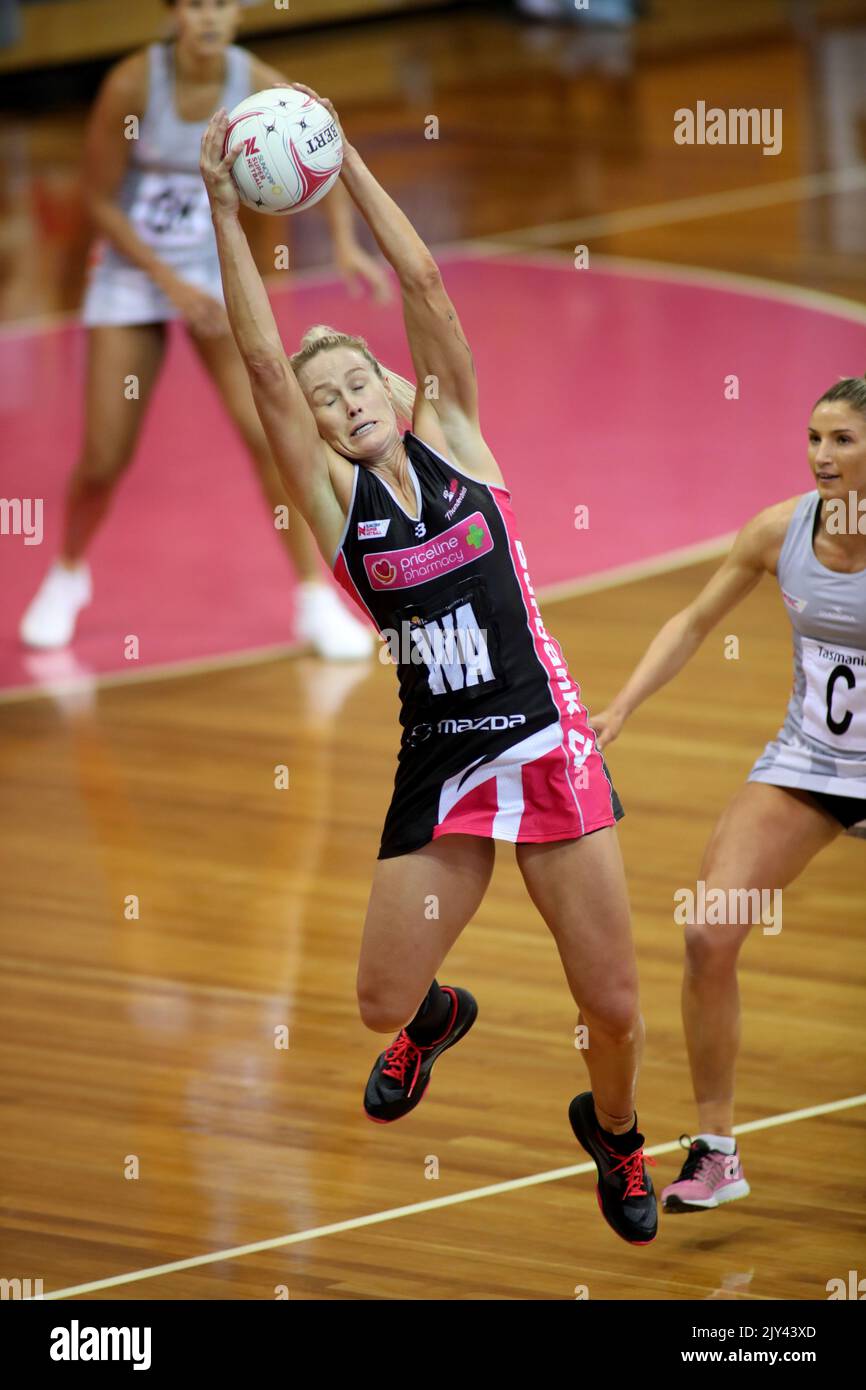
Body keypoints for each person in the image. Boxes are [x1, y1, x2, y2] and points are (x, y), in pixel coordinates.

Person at [198, 82, 658, 1245]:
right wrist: (221, 200)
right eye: (327, 397)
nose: (349, 398)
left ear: (395, 391)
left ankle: (615, 1136)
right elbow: (257, 357)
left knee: (609, 1006)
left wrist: (343, 160)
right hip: (442, 765)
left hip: (545, 740)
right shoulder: (330, 503)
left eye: (360, 380)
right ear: (314, 426)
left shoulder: (458, 442)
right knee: (374, 1002)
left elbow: (423, 287)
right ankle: (435, 1017)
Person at [20, 0, 388, 660]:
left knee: (268, 433)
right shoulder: (133, 85)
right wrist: (172, 286)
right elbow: (98, 199)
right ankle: (68, 572)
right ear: (174, 14)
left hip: (219, 271)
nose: (210, 17)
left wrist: (345, 242)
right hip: (135, 275)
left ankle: (312, 596)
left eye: (222, 3)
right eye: (195, 5)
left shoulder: (257, 82)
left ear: (238, 14)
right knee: (106, 455)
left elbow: (321, 146)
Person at [592, 376, 866, 1212]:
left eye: (843, 441)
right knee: (709, 934)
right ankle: (717, 1152)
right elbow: (692, 622)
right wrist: (622, 705)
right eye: (814, 437)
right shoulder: (779, 531)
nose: (821, 455)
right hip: (810, 766)